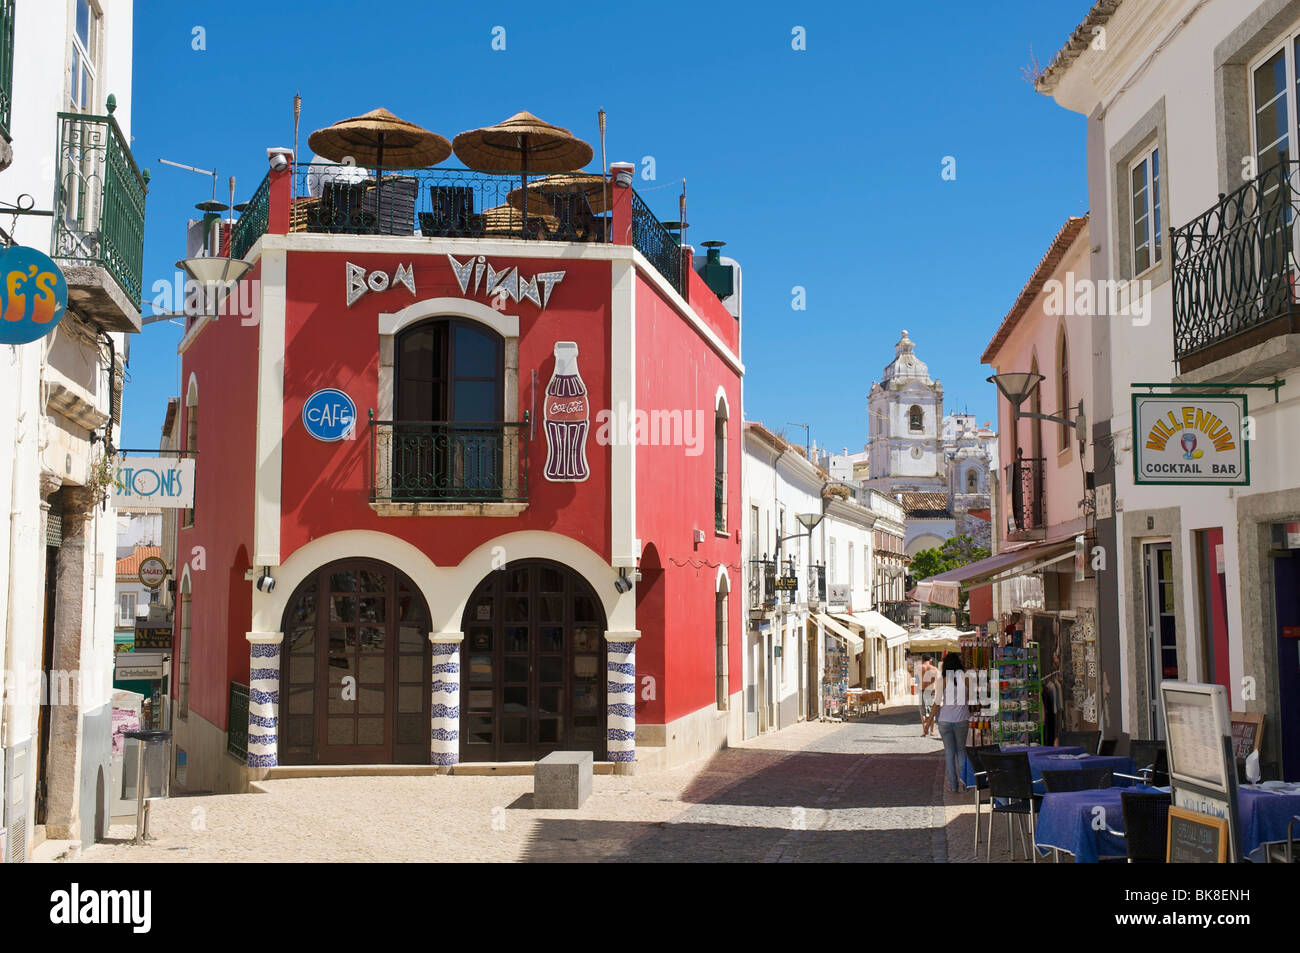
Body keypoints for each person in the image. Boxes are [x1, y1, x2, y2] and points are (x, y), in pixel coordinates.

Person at [930, 652, 972, 793]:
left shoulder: (943, 680)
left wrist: (927, 723)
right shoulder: (966, 678)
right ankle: (965, 784)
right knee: (961, 751)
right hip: (961, 719)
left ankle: (953, 786)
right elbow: (972, 698)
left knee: (949, 753)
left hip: (945, 721)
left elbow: (936, 703)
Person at [918, 656, 938, 737]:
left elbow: (918, 679)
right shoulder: (935, 669)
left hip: (922, 690)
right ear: (930, 660)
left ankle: (924, 731)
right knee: (931, 711)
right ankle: (932, 731)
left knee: (923, 712)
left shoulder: (919, 668)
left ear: (922, 659)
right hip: (931, 691)